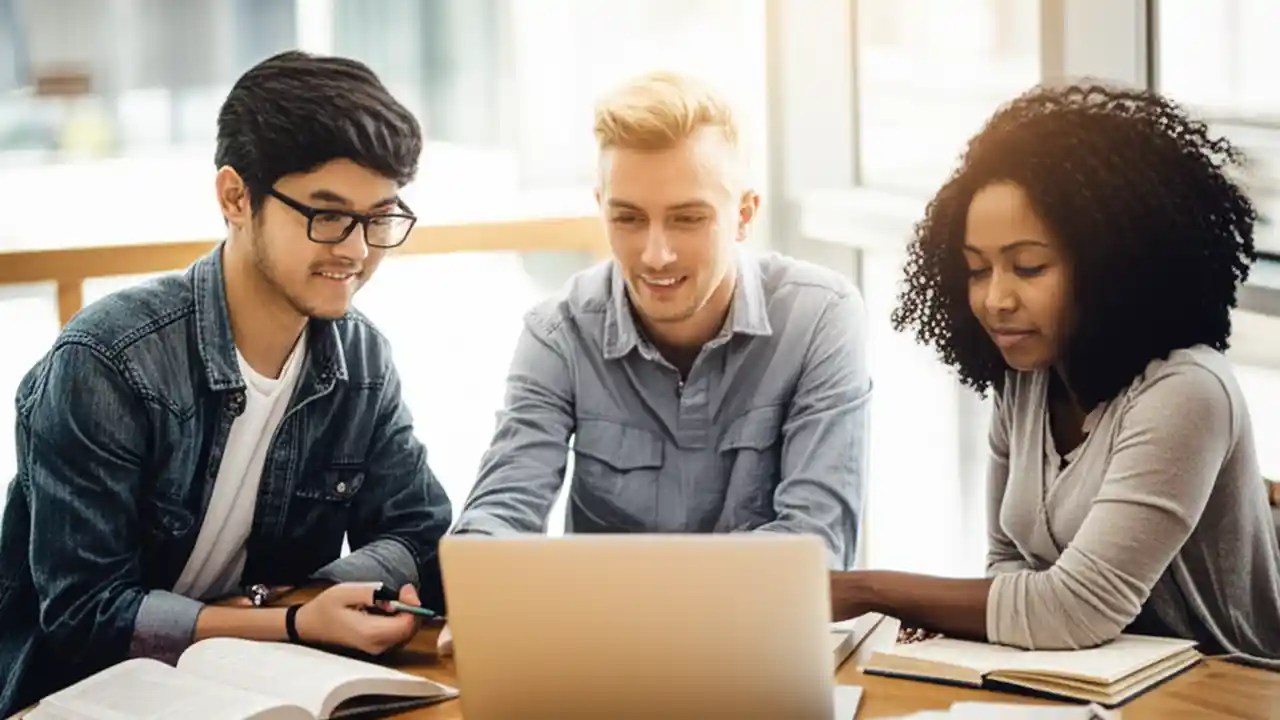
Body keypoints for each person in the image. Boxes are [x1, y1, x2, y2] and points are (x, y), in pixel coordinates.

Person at [0, 50, 453, 713]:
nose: (356, 250)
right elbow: (86, 618)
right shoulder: (108, 361)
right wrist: (292, 621)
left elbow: (421, 536)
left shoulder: (361, 360)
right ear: (236, 198)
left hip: (253, 689)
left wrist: (300, 599)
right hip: (77, 697)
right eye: (327, 216)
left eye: (379, 218)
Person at [829, 84, 1280, 666]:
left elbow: (1076, 607)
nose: (995, 299)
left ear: (1112, 262)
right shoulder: (1024, 378)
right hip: (1092, 684)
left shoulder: (1186, 390)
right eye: (976, 269)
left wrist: (865, 591)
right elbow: (1009, 565)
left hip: (1225, 691)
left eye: (1028, 266)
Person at [451, 71, 871, 569]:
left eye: (688, 219)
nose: (655, 255)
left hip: (752, 643)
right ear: (601, 208)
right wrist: (481, 567)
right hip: (603, 642)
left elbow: (817, 546)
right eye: (628, 219)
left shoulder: (820, 317)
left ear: (744, 214)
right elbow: (501, 513)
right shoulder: (557, 333)